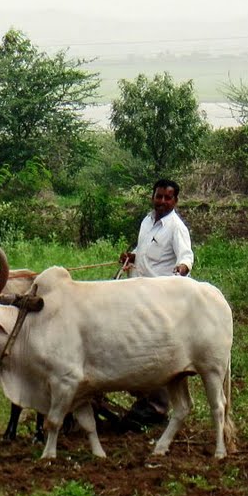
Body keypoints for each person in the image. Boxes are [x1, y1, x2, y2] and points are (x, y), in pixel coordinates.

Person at [111, 178, 194, 428]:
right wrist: (132, 256)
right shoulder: (147, 221)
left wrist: (181, 268)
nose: (162, 202)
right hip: (137, 293)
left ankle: (157, 407)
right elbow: (144, 250)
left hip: (159, 299)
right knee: (134, 346)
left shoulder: (176, 227)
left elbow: (186, 257)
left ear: (175, 201)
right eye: (159, 197)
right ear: (153, 197)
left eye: (168, 198)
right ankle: (143, 395)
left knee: (155, 350)